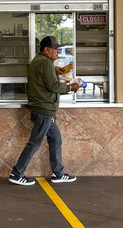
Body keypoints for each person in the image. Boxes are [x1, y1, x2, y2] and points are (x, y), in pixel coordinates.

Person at [9, 36, 80, 186]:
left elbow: (46, 82)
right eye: (56, 49)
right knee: (35, 142)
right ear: (47, 50)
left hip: (44, 109)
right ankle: (17, 173)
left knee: (55, 139)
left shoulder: (39, 61)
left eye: (58, 49)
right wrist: (70, 88)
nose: (58, 53)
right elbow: (53, 87)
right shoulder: (45, 62)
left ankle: (58, 173)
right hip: (44, 110)